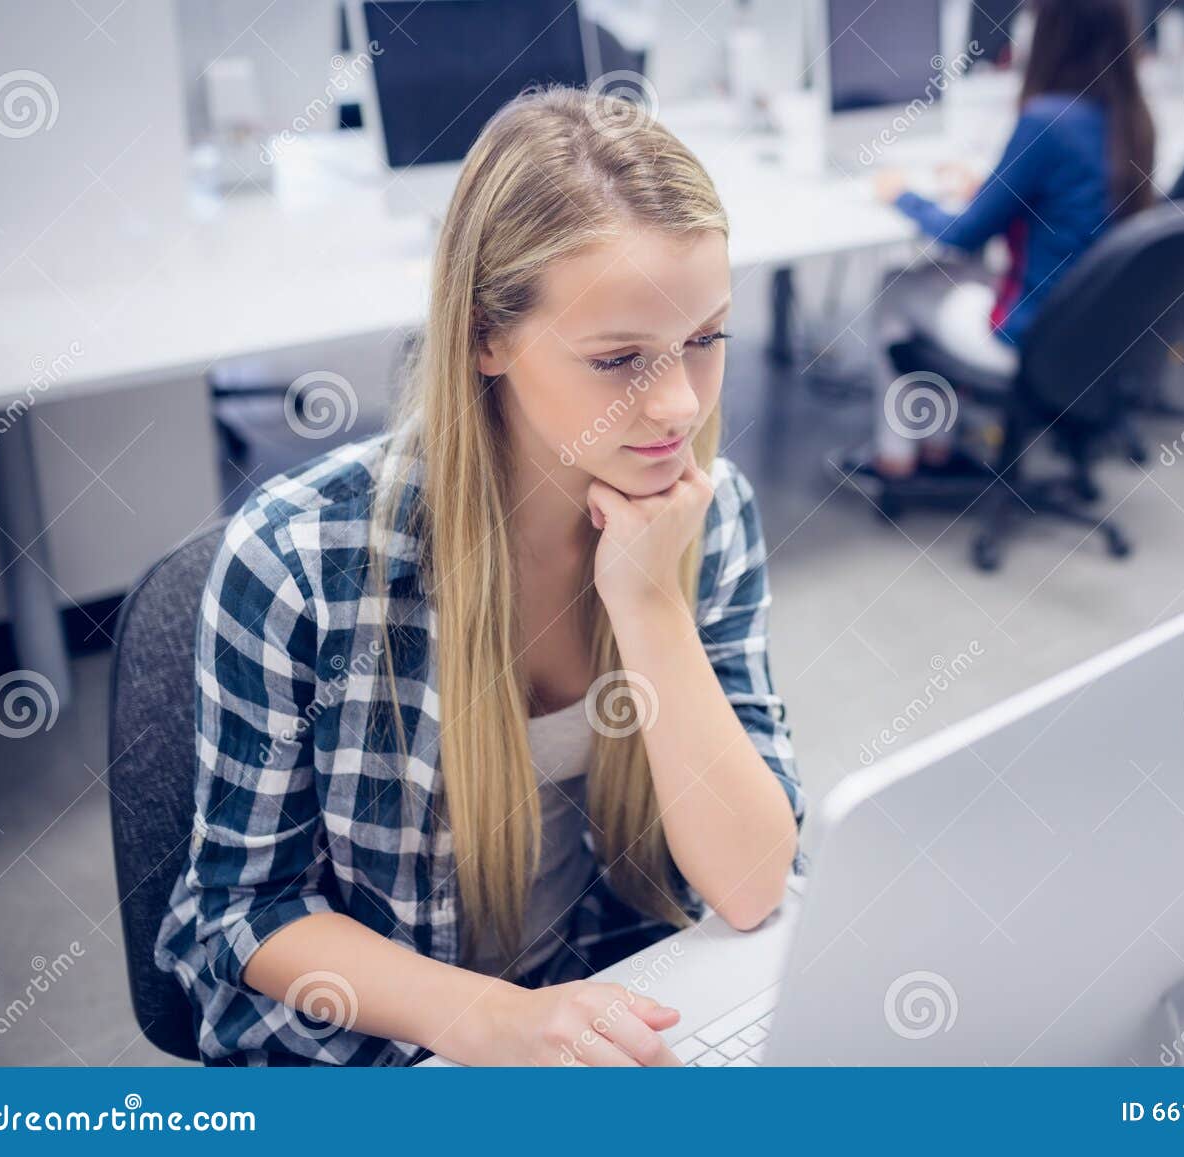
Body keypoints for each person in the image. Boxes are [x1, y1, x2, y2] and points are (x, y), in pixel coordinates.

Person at [154, 86, 806, 1067]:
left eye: (705, 340)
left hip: (612, 1010)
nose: (677, 402)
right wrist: (490, 1017)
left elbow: (754, 882)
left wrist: (649, 599)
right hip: (381, 1051)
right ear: (482, 336)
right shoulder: (299, 561)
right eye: (620, 356)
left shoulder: (706, 514)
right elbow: (242, 910)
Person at [862, 0, 1157, 480]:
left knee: (898, 286)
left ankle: (898, 459)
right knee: (952, 280)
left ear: (1054, 33)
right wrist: (994, 188)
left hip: (1029, 339)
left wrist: (903, 196)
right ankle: (937, 445)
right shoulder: (1133, 120)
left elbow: (963, 235)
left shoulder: (1047, 119)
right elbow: (1070, 201)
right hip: (1092, 335)